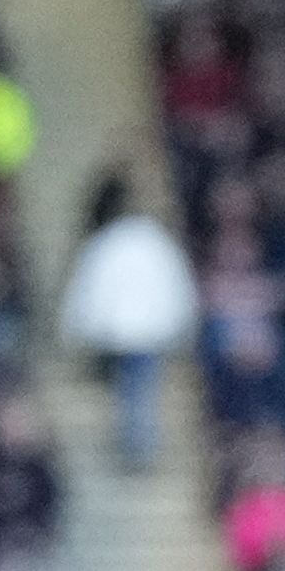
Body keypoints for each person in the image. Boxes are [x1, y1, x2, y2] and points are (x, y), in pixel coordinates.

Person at [61, 168, 198, 474]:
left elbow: (89, 291)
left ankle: (139, 449)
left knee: (134, 391)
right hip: (147, 331)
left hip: (121, 332)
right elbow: (175, 284)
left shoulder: (107, 241)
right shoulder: (153, 238)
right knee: (137, 390)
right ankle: (140, 447)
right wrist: (182, 327)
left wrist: (78, 332)